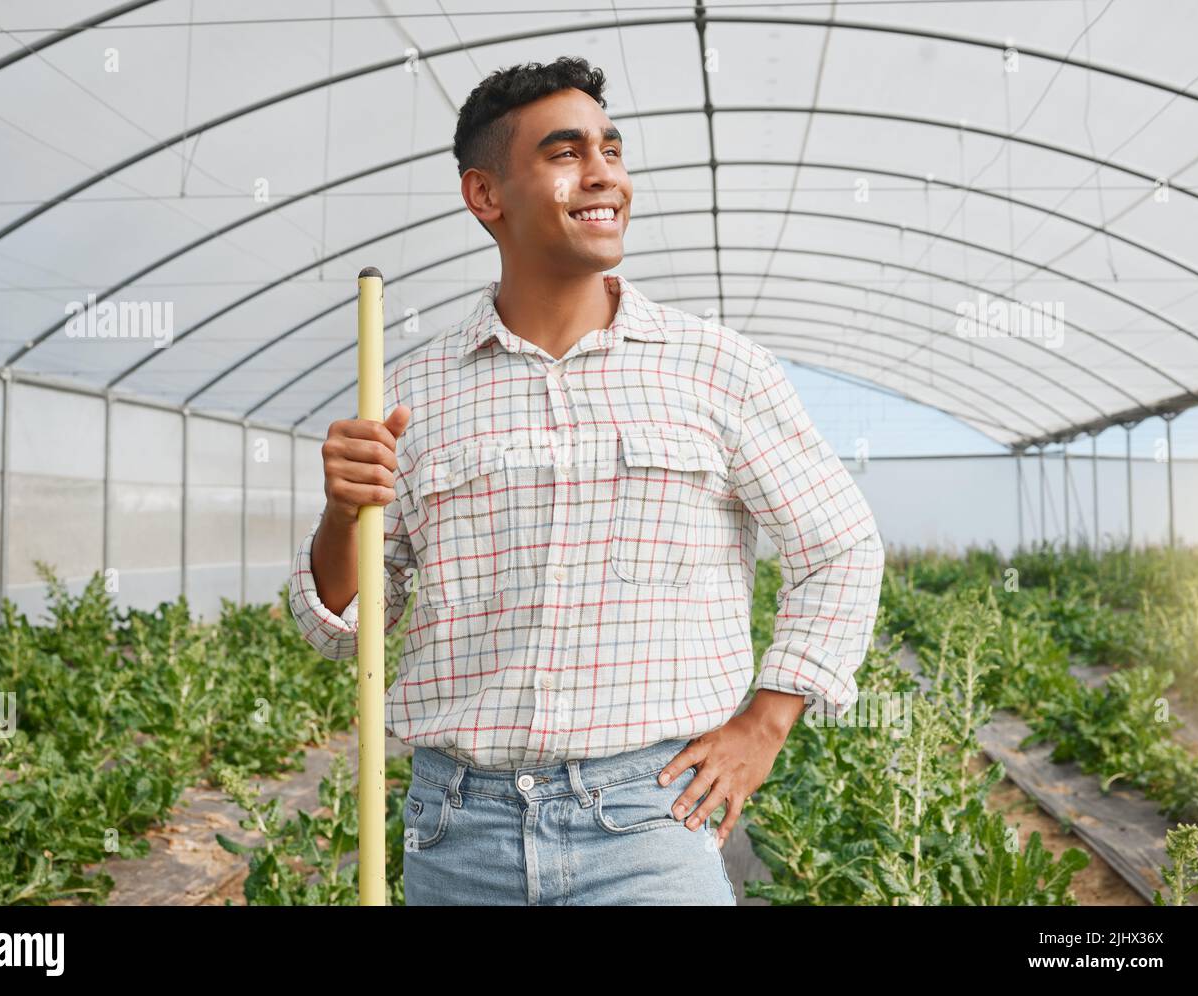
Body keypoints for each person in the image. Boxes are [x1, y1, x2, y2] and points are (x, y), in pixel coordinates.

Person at [288, 56, 884, 906]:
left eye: (611, 149)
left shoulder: (717, 371)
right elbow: (345, 628)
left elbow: (842, 549)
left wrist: (765, 724)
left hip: (649, 818)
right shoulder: (410, 395)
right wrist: (341, 513)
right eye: (565, 153)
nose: (602, 172)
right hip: (458, 829)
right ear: (485, 196)